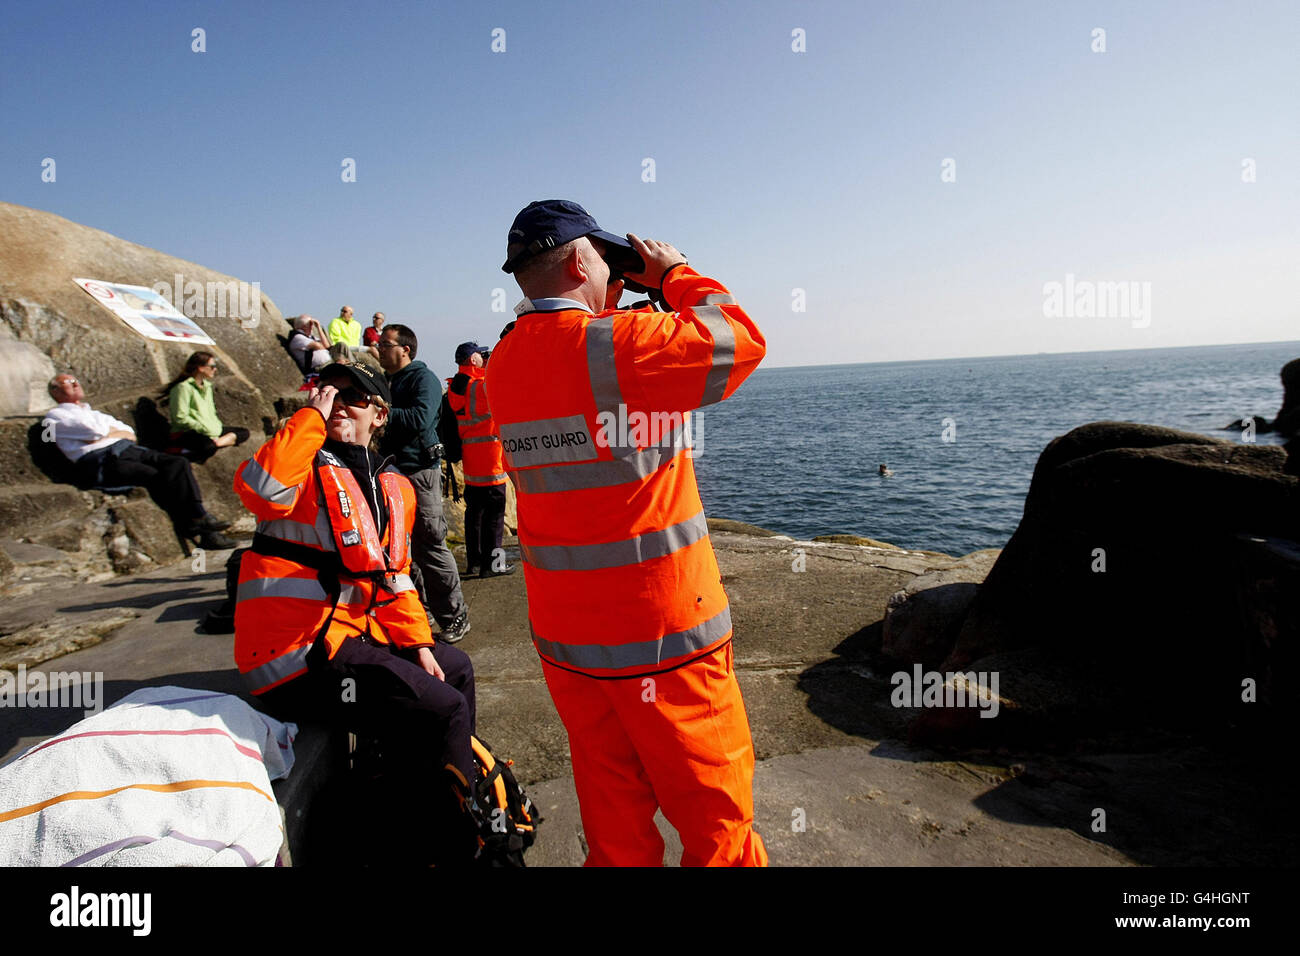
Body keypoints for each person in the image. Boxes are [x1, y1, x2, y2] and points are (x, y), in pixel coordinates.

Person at [486, 199, 768, 866]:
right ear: (583, 260)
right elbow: (739, 340)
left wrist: (615, 296)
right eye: (603, 262)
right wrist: (674, 275)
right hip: (666, 641)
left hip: (573, 646)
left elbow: (577, 386)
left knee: (615, 831)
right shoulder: (620, 349)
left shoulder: (500, 365)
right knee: (717, 827)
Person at [231, 362, 478, 843]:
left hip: (348, 635)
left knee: (456, 667)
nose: (340, 401)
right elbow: (261, 490)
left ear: (380, 416)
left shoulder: (394, 485)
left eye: (355, 397)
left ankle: (453, 781)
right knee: (443, 707)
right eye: (330, 391)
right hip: (294, 656)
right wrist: (308, 421)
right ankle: (456, 834)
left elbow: (397, 581)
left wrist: (419, 646)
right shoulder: (302, 465)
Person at [42, 373, 235, 549]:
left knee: (177, 464)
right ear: (56, 391)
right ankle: (204, 529)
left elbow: (129, 432)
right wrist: (111, 433)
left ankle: (200, 519)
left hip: (128, 449)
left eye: (76, 381)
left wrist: (110, 432)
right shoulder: (55, 416)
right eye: (69, 383)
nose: (76, 384)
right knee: (158, 478)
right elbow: (94, 431)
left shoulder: (94, 413)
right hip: (103, 460)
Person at [375, 323, 471, 643]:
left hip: (419, 471)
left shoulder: (423, 379)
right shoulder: (387, 381)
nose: (379, 349)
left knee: (430, 544)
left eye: (385, 344)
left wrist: (382, 412)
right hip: (392, 472)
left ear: (406, 349)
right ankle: (421, 609)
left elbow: (420, 419)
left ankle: (455, 617)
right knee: (401, 548)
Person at [447, 341, 511, 578]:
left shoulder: (456, 387)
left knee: (474, 515)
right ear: (473, 359)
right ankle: (493, 565)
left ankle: (474, 563)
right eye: (481, 355)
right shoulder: (482, 385)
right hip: (492, 459)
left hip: (471, 461)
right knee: (495, 517)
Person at [160, 351, 250, 463]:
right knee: (208, 446)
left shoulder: (207, 387)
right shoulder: (182, 388)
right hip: (188, 432)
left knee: (244, 432)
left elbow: (211, 413)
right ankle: (180, 451)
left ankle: (217, 442)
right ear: (201, 368)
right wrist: (204, 429)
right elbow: (180, 417)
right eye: (212, 366)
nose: (215, 369)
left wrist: (214, 430)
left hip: (211, 430)